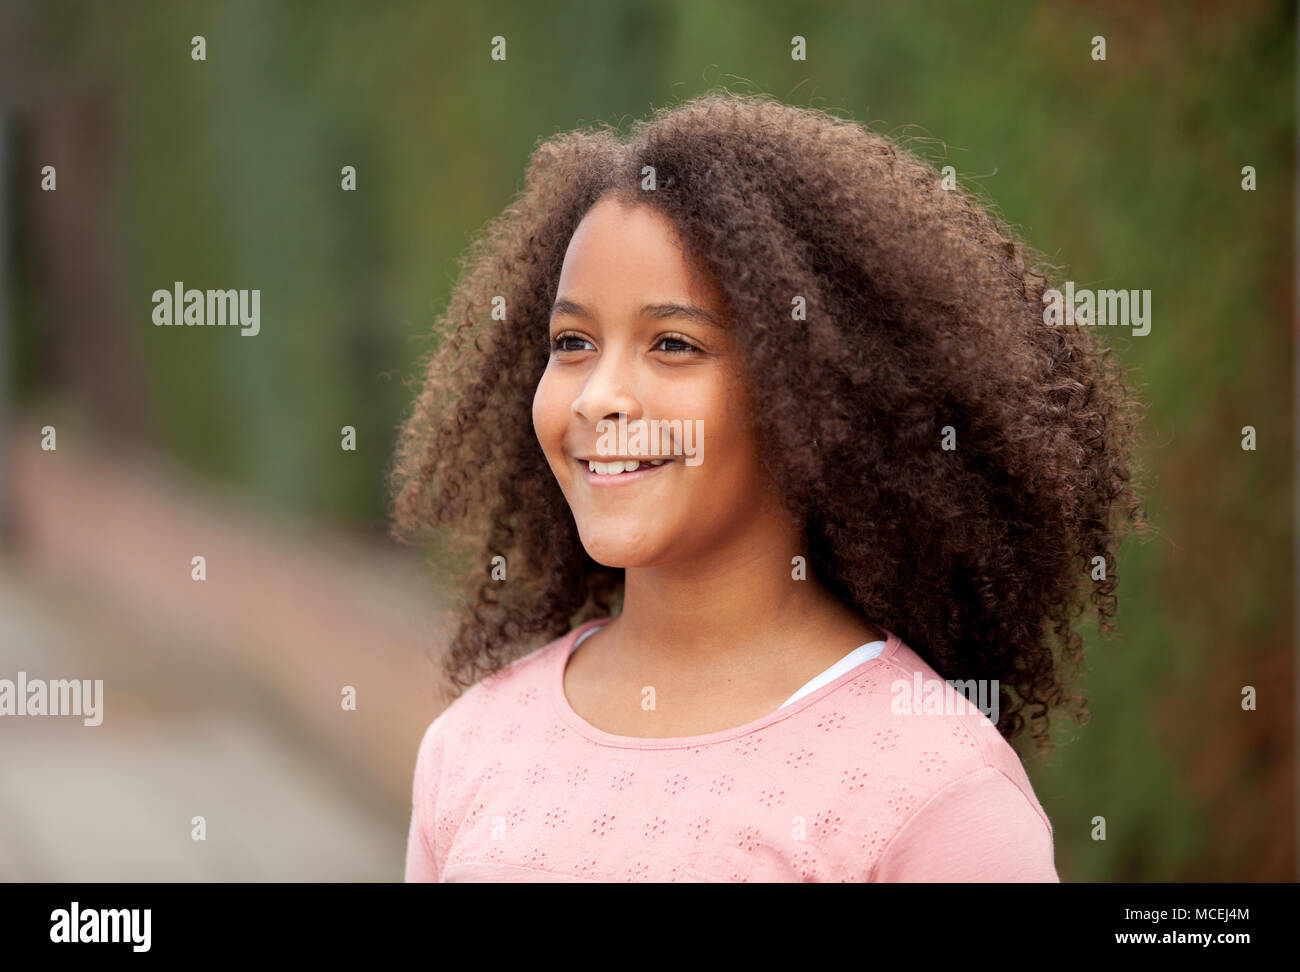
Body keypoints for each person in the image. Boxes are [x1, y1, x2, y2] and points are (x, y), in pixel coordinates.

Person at [390, 90, 1147, 882]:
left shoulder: (935, 789)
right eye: (573, 341)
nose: (596, 396)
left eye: (674, 343)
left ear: (808, 392)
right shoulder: (475, 744)